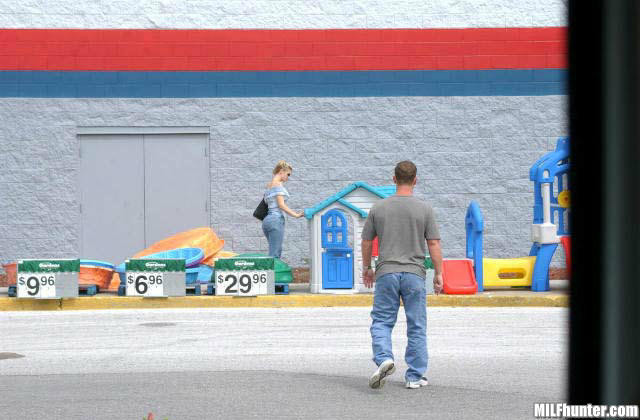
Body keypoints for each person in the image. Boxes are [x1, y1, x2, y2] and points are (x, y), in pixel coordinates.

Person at [361, 160, 444, 390]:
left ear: (394, 179)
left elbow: (367, 240)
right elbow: (434, 243)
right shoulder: (424, 208)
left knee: (382, 321)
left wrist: (367, 268)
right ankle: (415, 376)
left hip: (386, 272)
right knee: (416, 324)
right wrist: (439, 273)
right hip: (414, 274)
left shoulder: (379, 207)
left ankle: (384, 358)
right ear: (415, 180)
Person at [262, 160, 303, 258]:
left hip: (267, 221)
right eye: (288, 174)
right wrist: (296, 215)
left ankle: (273, 273)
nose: (288, 177)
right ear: (281, 171)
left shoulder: (269, 186)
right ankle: (273, 273)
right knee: (275, 254)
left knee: (274, 251)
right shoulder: (278, 185)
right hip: (275, 220)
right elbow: (281, 205)